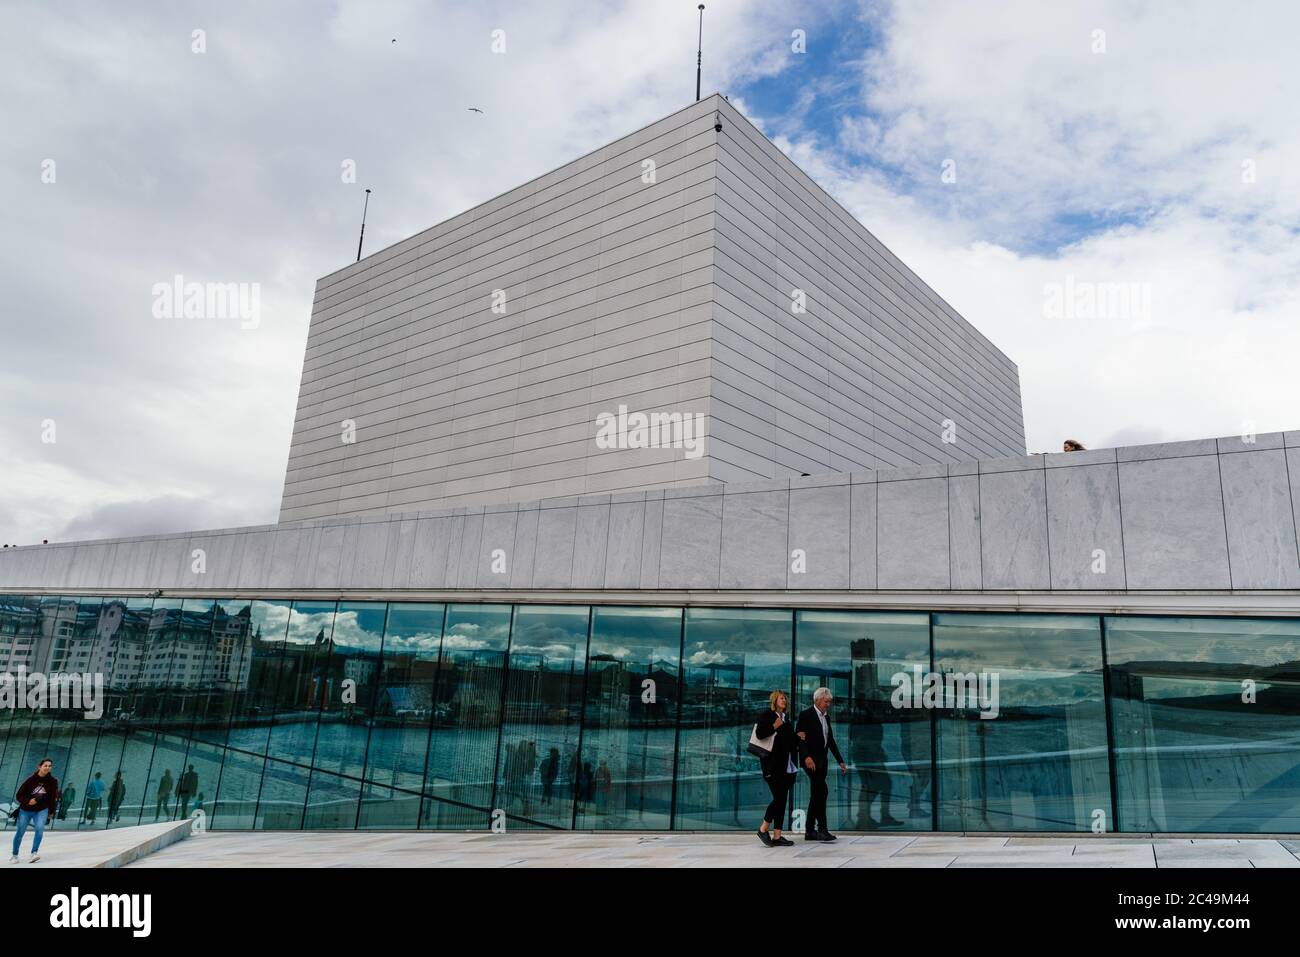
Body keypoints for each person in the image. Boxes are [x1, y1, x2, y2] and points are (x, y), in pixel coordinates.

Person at [796, 687, 847, 842]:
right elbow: (800, 739)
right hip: (810, 762)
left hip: (822, 762)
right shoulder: (806, 715)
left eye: (830, 702)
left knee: (816, 795)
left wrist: (840, 760)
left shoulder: (827, 718)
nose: (828, 704)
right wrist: (806, 757)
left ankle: (809, 831)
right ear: (817, 700)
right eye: (826, 701)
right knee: (822, 791)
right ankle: (822, 830)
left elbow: (830, 741)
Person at [754, 689, 798, 847]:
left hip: (787, 767)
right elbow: (759, 734)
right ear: (774, 700)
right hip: (772, 767)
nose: (784, 701)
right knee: (779, 799)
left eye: (785, 698)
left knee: (782, 800)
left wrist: (798, 737)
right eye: (781, 698)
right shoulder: (768, 715)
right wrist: (774, 726)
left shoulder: (786, 720)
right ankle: (763, 828)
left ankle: (777, 836)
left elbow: (789, 743)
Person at [11, 758, 59, 864]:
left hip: (42, 810)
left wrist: (51, 812)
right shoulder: (30, 780)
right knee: (20, 832)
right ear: (39, 767)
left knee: (40, 828)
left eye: (49, 766)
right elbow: (19, 795)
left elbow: (53, 797)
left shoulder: (53, 781)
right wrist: (28, 801)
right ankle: (14, 855)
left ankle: (34, 853)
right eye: (45, 765)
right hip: (25, 810)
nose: (47, 767)